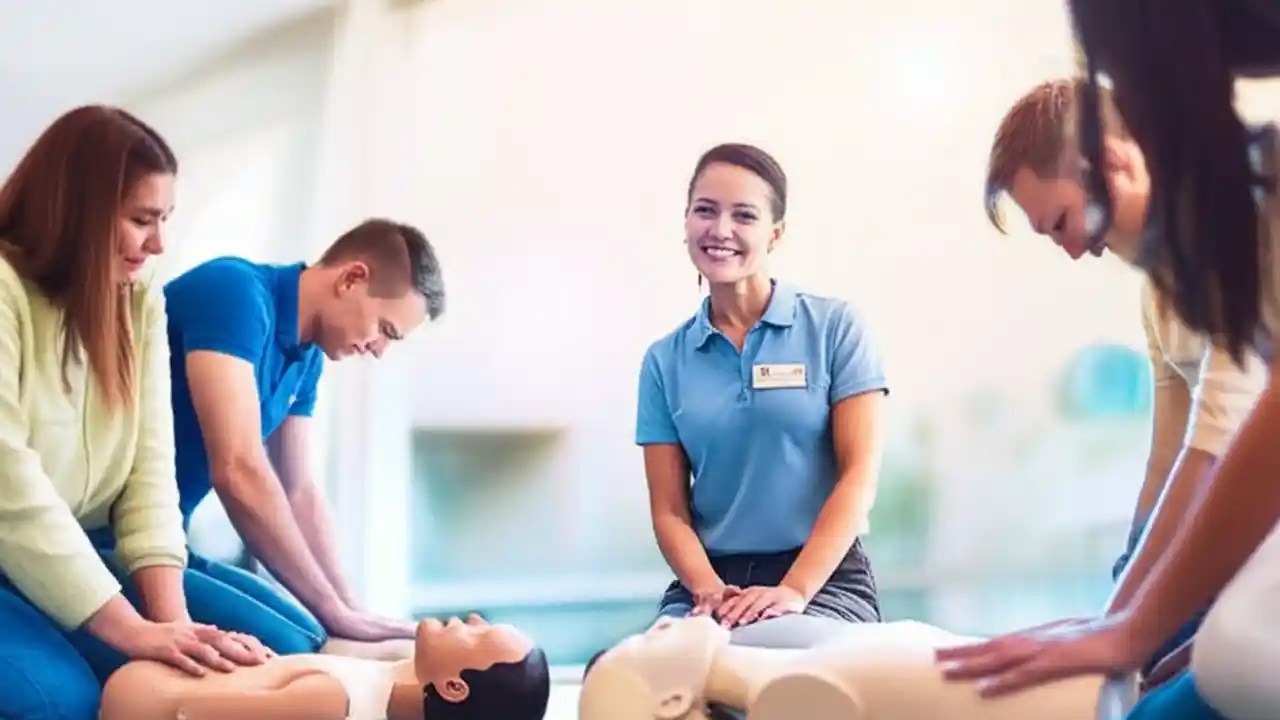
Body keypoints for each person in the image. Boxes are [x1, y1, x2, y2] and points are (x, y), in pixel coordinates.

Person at [938, 2, 1280, 719]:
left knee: (1225, 664)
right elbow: (1174, 452)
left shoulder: (1244, 225)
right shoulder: (1171, 284)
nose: (1071, 249)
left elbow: (1219, 446)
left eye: (1062, 220)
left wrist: (1130, 626)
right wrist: (1121, 607)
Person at [0, 105, 270, 720]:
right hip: (8, 544)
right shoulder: (4, 289)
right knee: (61, 700)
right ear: (78, 213)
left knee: (263, 655)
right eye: (141, 220)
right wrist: (132, 631)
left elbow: (152, 471)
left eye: (165, 219)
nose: (159, 243)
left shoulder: (140, 300)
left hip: (78, 546)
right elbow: (9, 490)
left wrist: (175, 629)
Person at [154, 218, 446, 656]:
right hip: (112, 538)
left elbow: (299, 491)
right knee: (302, 639)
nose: (379, 350)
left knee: (319, 630)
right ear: (352, 278)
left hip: (167, 542)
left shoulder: (308, 357)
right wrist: (333, 610)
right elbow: (238, 468)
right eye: (385, 329)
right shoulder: (235, 293)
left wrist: (349, 607)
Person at [636, 142, 888, 630]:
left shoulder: (836, 328)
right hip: (710, 577)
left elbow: (859, 474)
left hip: (823, 574)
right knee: (637, 677)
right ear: (686, 222)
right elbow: (669, 510)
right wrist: (708, 591)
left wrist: (794, 590)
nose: (721, 230)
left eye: (744, 216)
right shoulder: (663, 361)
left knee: (783, 666)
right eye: (705, 211)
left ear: (775, 235)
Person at [580, 614, 1128, 720]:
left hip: (1083, 680)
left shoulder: (792, 669)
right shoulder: (789, 697)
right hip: (1084, 703)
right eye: (647, 644)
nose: (661, 625)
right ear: (673, 702)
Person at [100, 615, 550, 720]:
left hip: (138, 697)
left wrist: (234, 678)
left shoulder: (337, 700)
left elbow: (190, 713)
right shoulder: (382, 681)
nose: (472, 620)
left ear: (453, 688)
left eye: (479, 636)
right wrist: (264, 668)